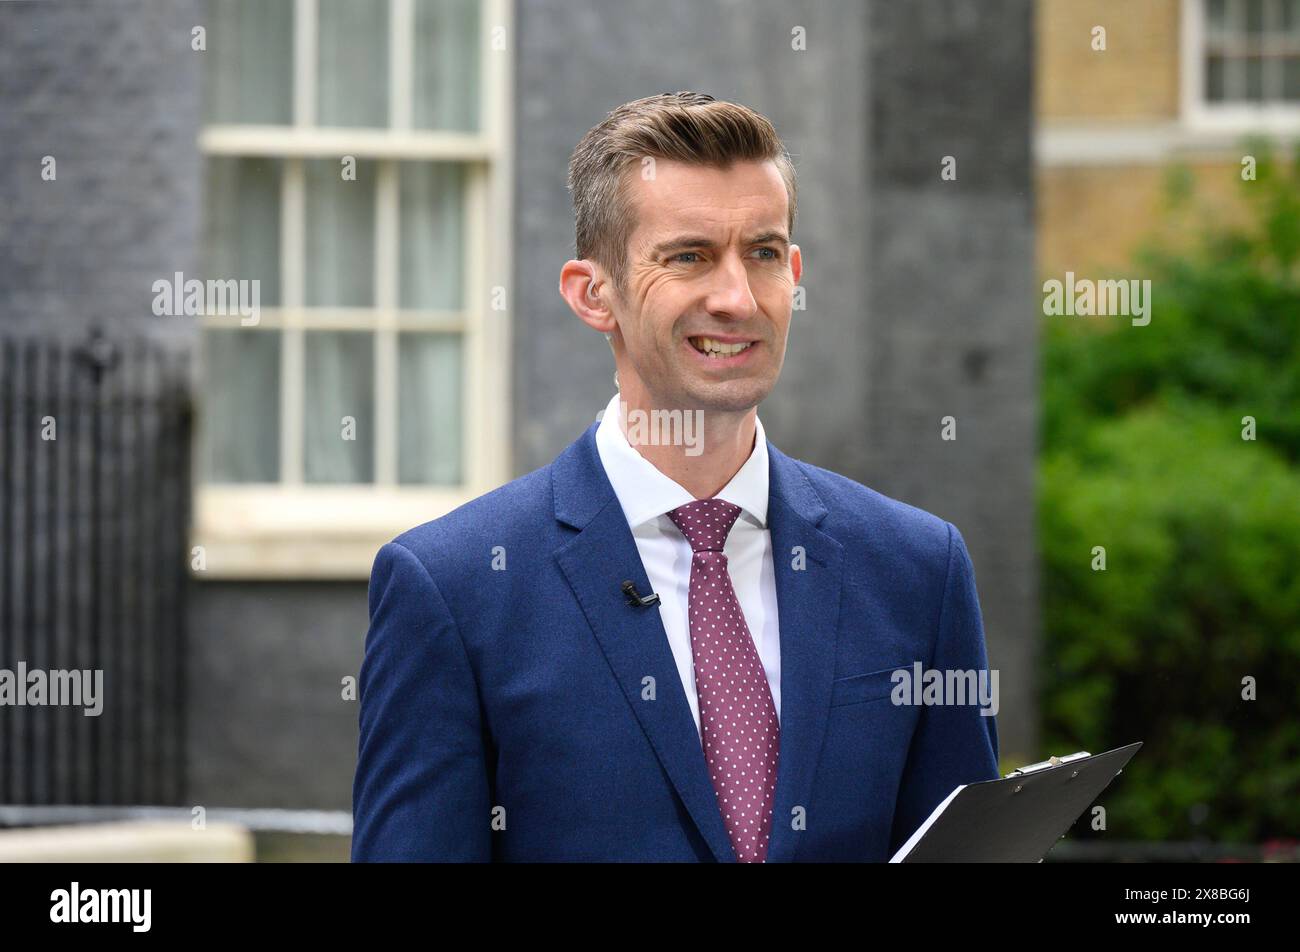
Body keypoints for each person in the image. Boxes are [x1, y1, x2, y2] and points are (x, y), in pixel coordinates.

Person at [351, 92, 998, 862]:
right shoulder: (453, 589)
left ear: (793, 275)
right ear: (594, 295)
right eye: (689, 255)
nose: (735, 298)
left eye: (762, 254)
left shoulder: (918, 571)